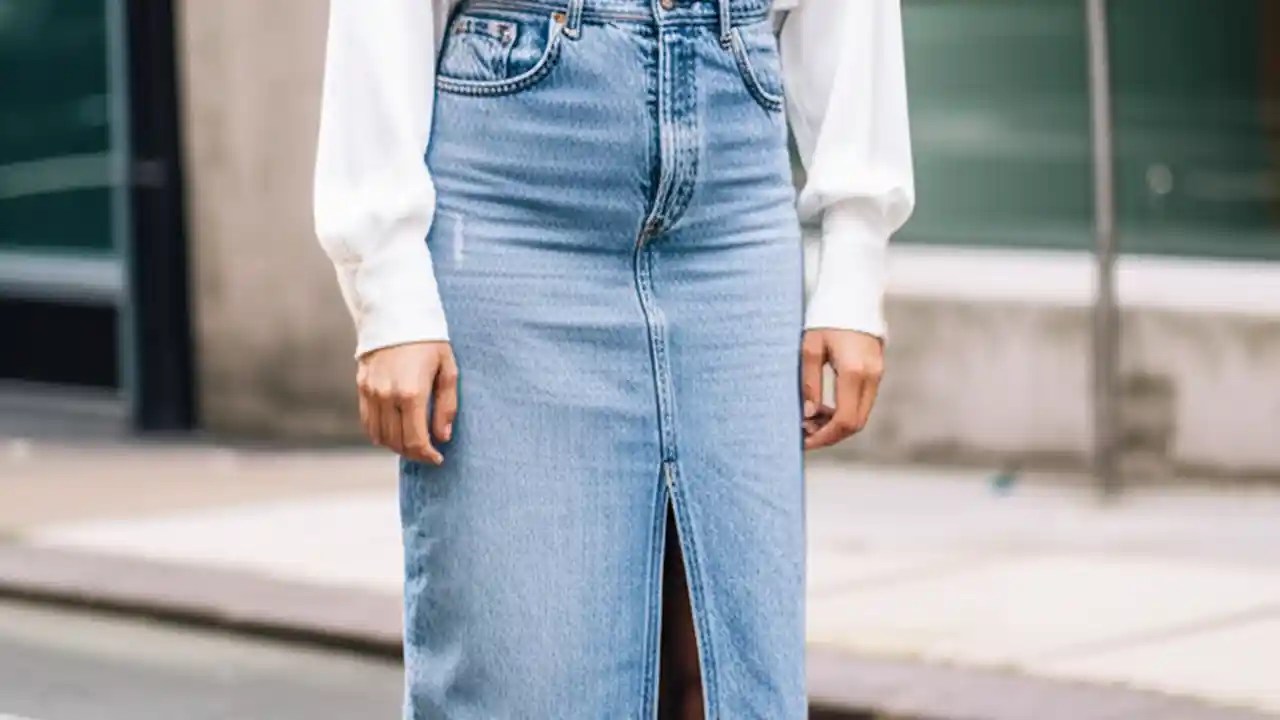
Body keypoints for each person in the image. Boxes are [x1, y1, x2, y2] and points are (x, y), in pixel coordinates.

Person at [313, 0, 914, 717]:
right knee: (529, 680)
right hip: (514, 186)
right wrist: (387, 281)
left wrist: (855, 250)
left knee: (736, 675)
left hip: (735, 181)